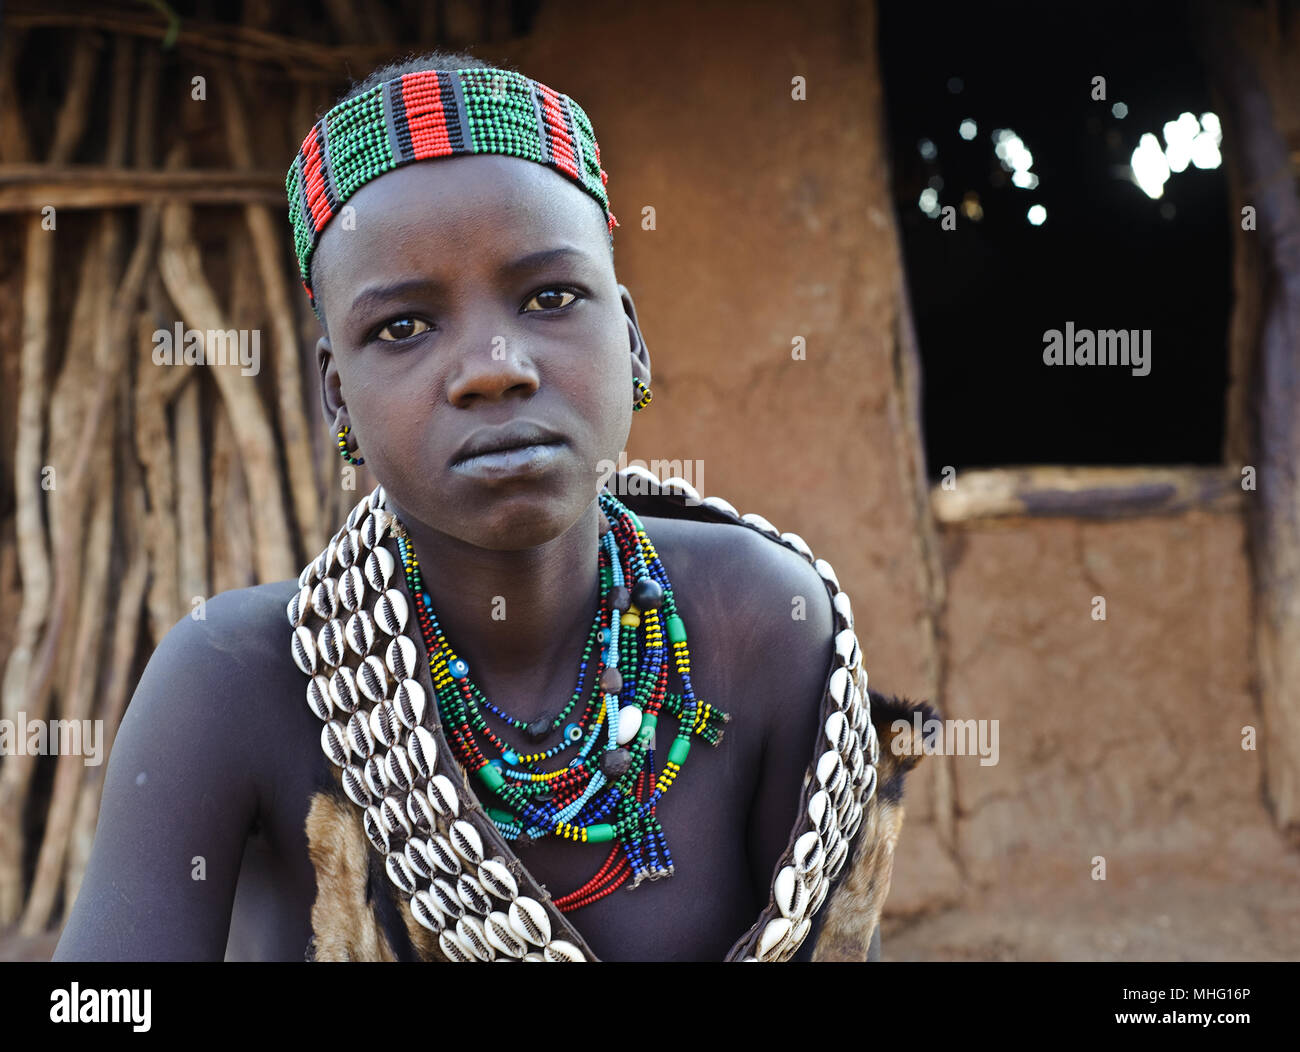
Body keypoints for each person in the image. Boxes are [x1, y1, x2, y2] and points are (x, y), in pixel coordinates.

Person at [54, 50, 902, 962]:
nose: (496, 364)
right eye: (404, 326)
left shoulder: (766, 627)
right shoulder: (238, 684)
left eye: (549, 297)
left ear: (633, 340)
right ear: (337, 398)